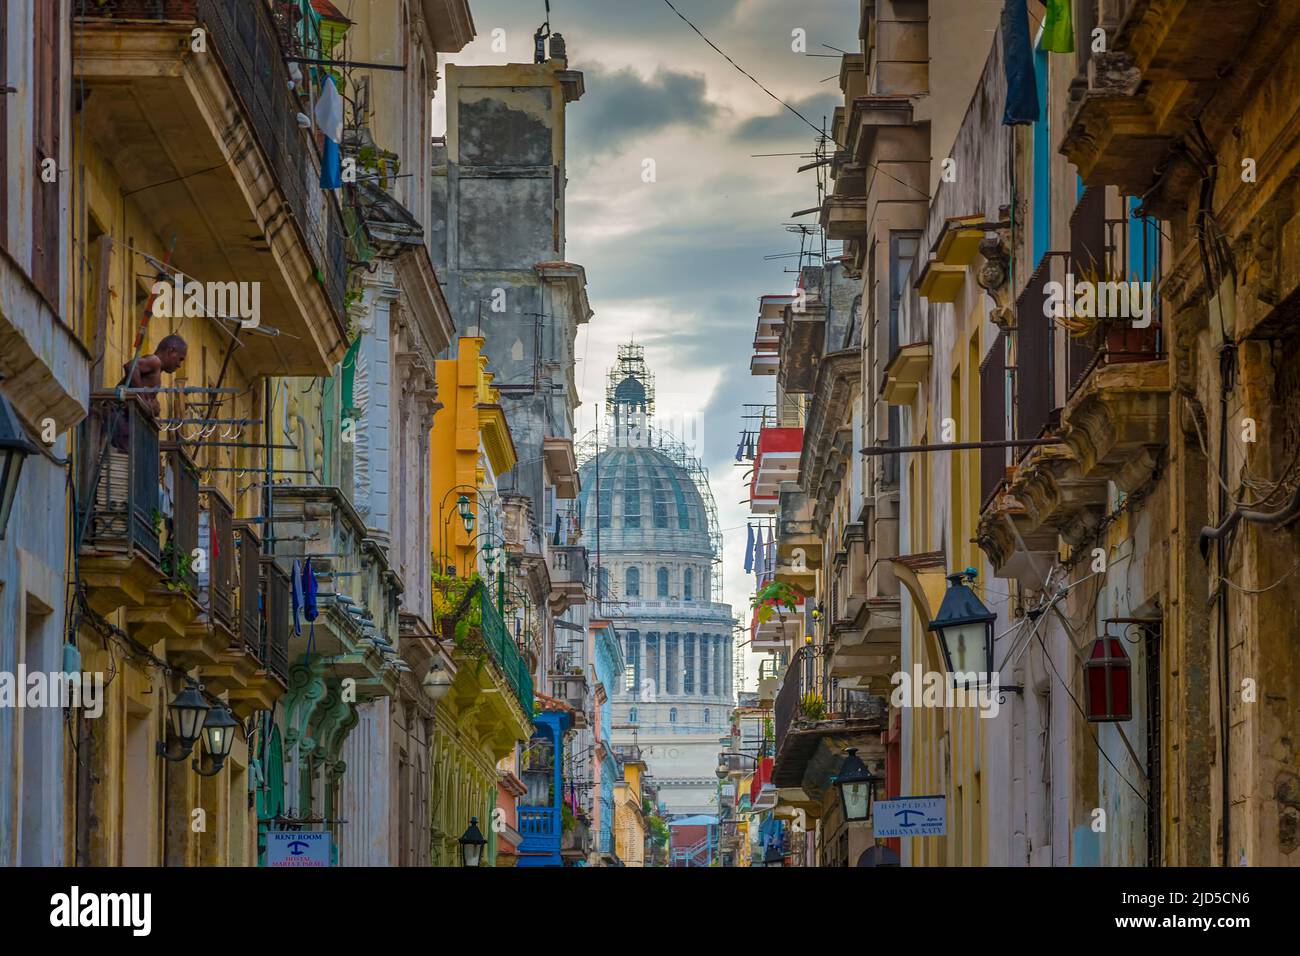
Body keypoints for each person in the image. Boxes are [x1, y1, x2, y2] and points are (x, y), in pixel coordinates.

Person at [111, 334, 187, 451]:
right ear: (171, 350)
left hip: (123, 420)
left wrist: (153, 408)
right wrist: (143, 401)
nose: (179, 364)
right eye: (180, 359)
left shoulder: (156, 370)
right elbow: (131, 366)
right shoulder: (155, 361)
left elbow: (147, 399)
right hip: (117, 415)